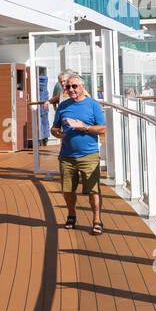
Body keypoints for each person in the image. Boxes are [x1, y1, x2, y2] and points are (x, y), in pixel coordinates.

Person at [51, 74, 106, 235]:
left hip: (89, 155)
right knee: (68, 190)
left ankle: (97, 219)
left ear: (82, 87)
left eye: (74, 86)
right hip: (67, 155)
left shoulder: (93, 105)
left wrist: (84, 127)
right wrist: (57, 133)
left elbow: (102, 128)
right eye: (68, 87)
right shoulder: (63, 106)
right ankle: (71, 214)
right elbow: (54, 127)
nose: (71, 90)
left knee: (93, 190)